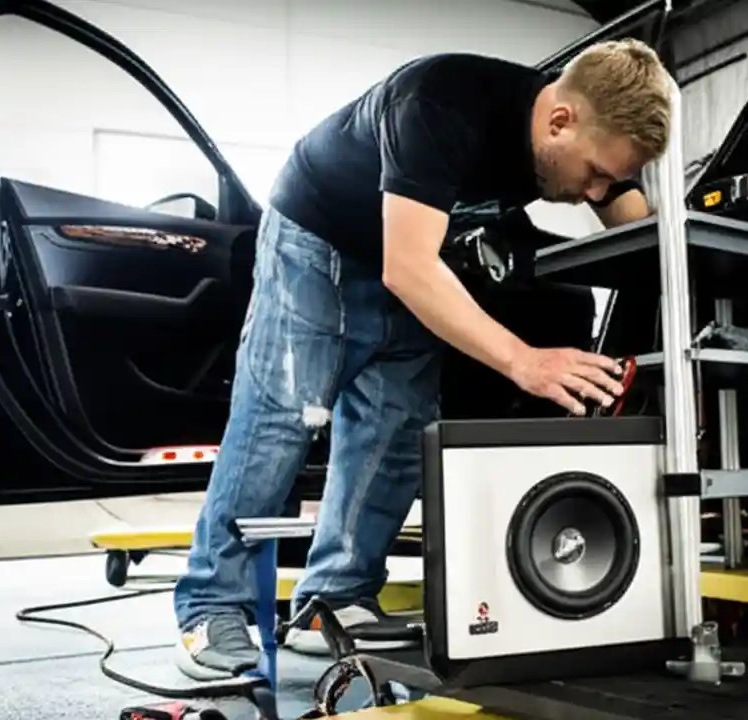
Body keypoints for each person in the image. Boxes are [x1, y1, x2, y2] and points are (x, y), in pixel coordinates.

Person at [172, 37, 674, 680]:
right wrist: (525, 361)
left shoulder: (584, 131)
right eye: (597, 173)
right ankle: (210, 606)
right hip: (318, 234)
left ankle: (335, 596)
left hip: (411, 251)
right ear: (559, 121)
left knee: (396, 427)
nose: (598, 191)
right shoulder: (443, 103)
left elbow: (642, 241)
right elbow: (407, 268)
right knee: (282, 418)